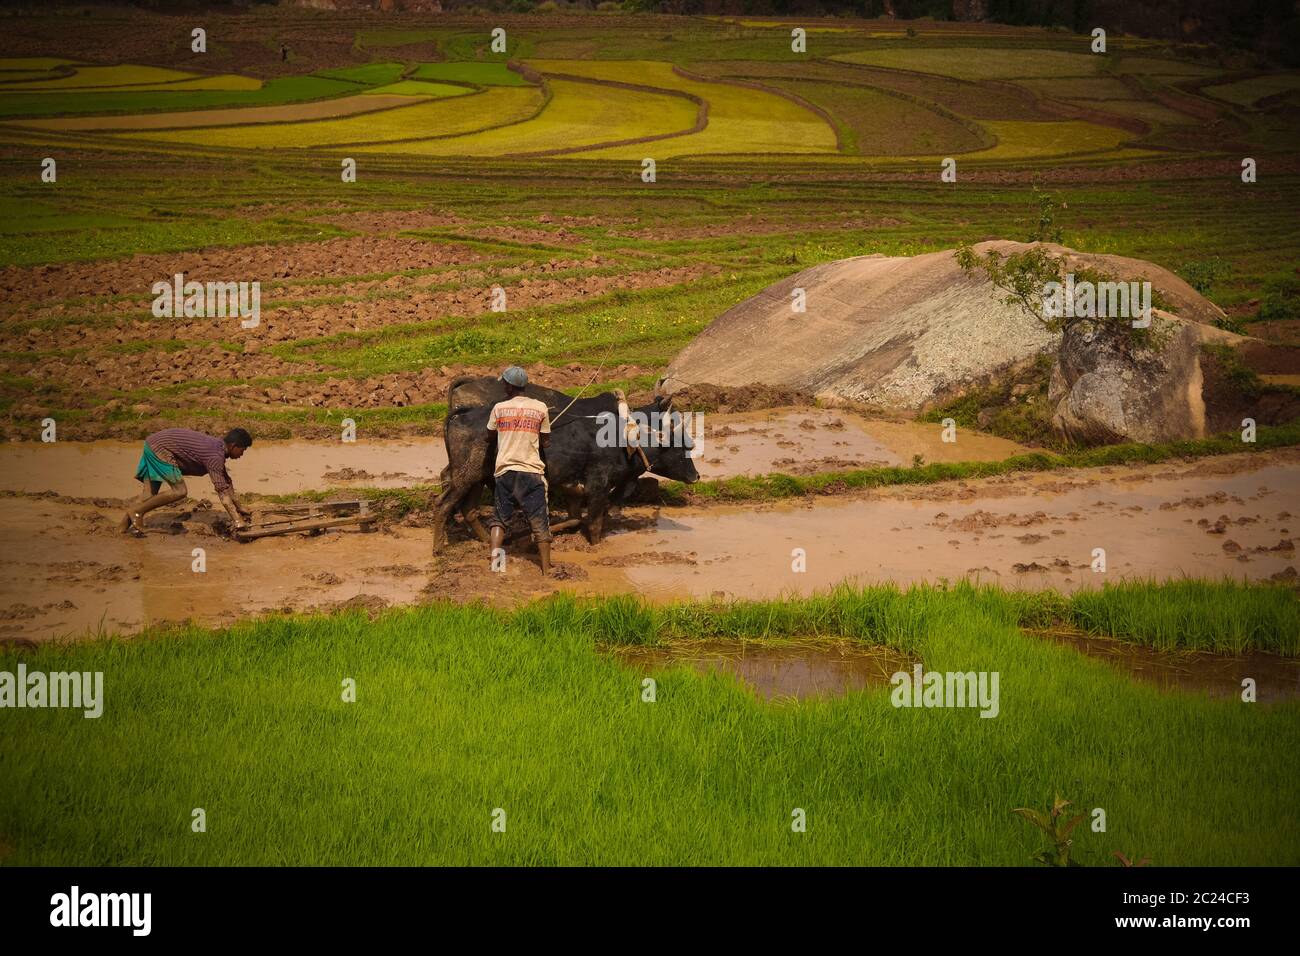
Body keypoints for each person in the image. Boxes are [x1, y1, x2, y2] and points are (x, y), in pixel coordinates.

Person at [485, 366, 556, 575]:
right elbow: (546, 442)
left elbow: (489, 436)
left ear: (509, 385)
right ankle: (545, 571)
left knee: (499, 520)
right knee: (540, 522)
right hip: (531, 472)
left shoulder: (499, 408)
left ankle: (497, 567)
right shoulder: (541, 408)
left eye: (504, 383)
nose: (503, 386)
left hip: (505, 471)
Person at [121, 427, 253, 537]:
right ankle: (137, 512)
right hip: (161, 448)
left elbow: (227, 482)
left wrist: (239, 507)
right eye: (243, 450)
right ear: (233, 446)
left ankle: (121, 528)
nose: (242, 454)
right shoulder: (215, 456)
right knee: (180, 491)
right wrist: (237, 520)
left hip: (154, 443)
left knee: (148, 495)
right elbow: (222, 493)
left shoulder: (217, 447)